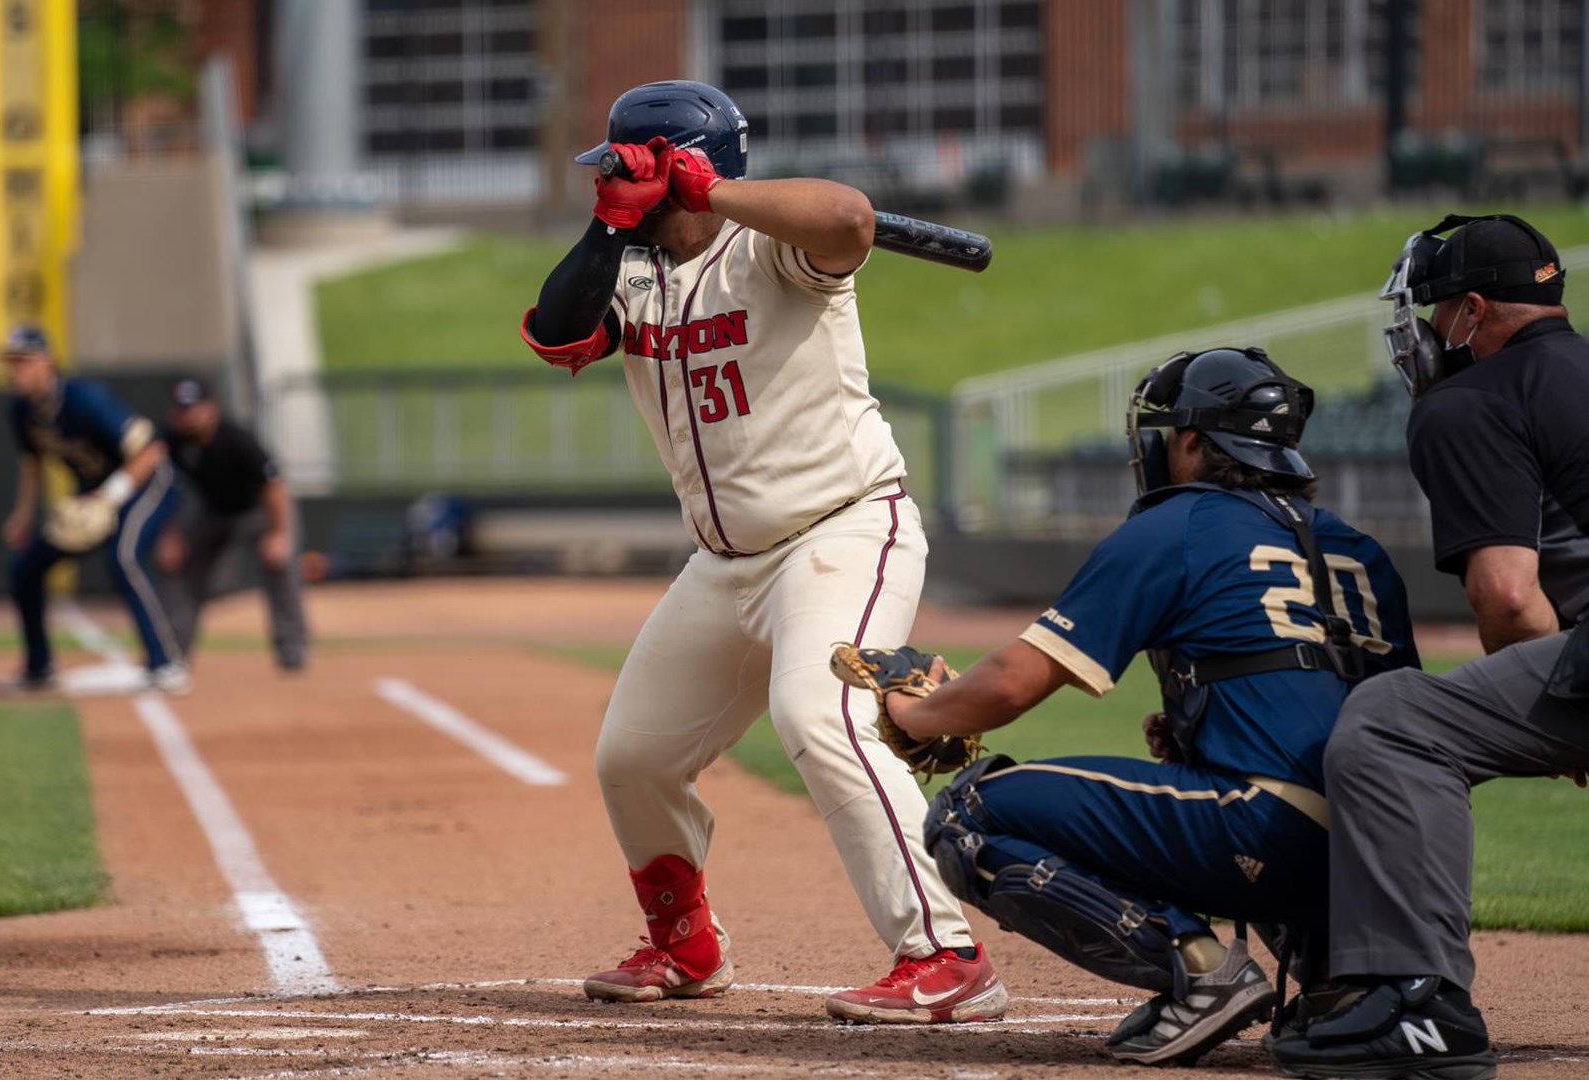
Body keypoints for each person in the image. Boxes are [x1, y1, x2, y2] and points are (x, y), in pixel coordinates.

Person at [520, 79, 1006, 1024]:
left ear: (679, 169)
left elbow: (850, 218)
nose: (610, 182)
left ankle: (947, 954)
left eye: (627, 169)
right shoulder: (629, 265)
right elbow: (555, 335)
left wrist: (704, 191)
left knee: (818, 714)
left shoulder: (777, 247)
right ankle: (686, 948)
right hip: (724, 561)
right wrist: (611, 226)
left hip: (843, 529)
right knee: (635, 754)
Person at [863, 348, 1419, 1065]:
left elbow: (1011, 683)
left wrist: (918, 713)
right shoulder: (1360, 549)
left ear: (1192, 441)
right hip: (1387, 857)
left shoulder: (1180, 522)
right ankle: (1339, 983)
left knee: (970, 816)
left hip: (1267, 828)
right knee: (1272, 792)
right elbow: (1392, 718)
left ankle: (1199, 973)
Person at [1270, 216, 1589, 1080]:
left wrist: (1562, 716)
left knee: (1391, 722)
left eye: (1436, 308)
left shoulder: (1470, 398)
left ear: (1476, 308)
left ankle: (1420, 1002)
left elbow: (1511, 597)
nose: (1422, 330)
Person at [0, 325, 189, 694]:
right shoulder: (20, 410)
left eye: (21, 361)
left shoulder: (84, 399)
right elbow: (33, 463)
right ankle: (39, 668)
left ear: (45, 362)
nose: (13, 370)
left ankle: (167, 662)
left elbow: (151, 451)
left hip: (149, 483)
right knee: (25, 568)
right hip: (96, 494)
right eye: (10, 362)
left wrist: (109, 496)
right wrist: (22, 515)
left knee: (124, 557)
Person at [156, 377, 309, 672]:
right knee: (178, 567)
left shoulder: (236, 439)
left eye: (194, 408)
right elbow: (163, 491)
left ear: (211, 408)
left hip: (258, 511)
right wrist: (170, 535)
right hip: (213, 512)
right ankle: (173, 651)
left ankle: (292, 647)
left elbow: (275, 486)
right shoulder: (172, 442)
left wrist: (278, 534)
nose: (187, 416)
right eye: (181, 409)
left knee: (281, 564)